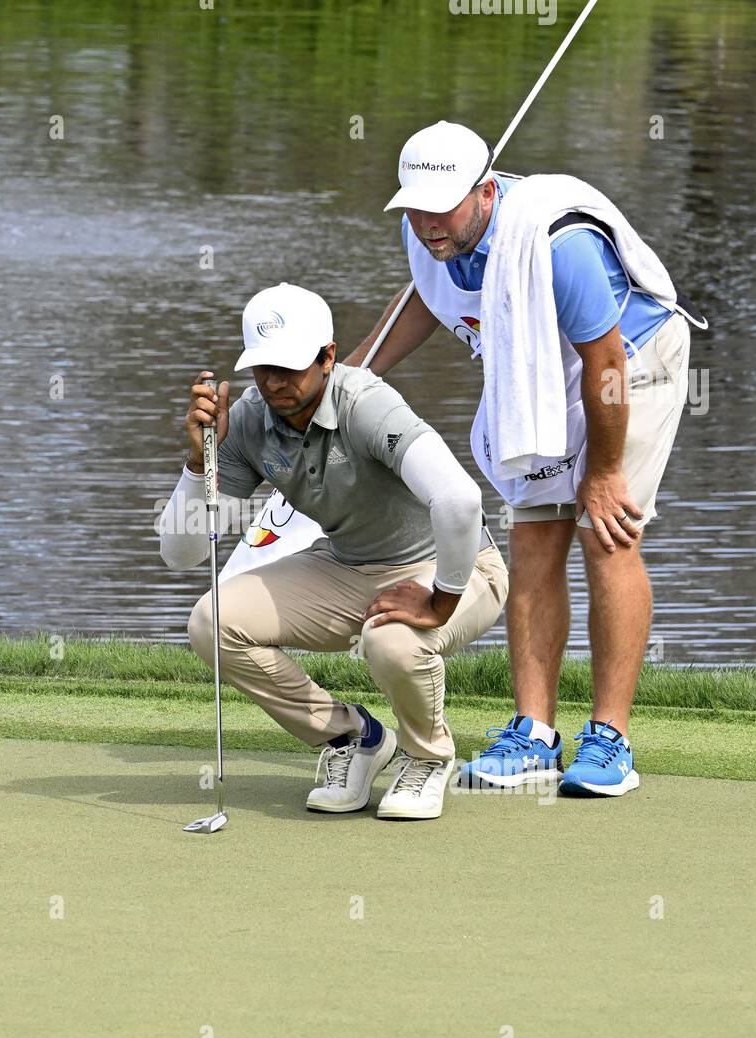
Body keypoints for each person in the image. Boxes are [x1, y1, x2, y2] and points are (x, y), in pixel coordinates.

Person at [348, 120, 707, 797]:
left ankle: (611, 741)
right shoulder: (428, 228)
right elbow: (428, 295)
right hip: (539, 369)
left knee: (606, 533)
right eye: (414, 207)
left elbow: (604, 365)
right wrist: (355, 378)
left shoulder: (558, 246)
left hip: (630, 363)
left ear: (486, 191)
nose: (426, 222)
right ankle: (534, 734)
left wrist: (601, 475)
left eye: (441, 205)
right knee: (535, 538)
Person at [158, 283, 508, 820]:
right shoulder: (247, 420)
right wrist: (197, 457)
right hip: (347, 565)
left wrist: (439, 600)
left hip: (457, 567)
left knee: (391, 641)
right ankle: (354, 738)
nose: (274, 382)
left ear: (327, 357)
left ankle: (428, 756)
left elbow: (460, 501)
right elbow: (180, 553)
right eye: (263, 367)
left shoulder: (366, 404)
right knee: (212, 621)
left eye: (291, 367)